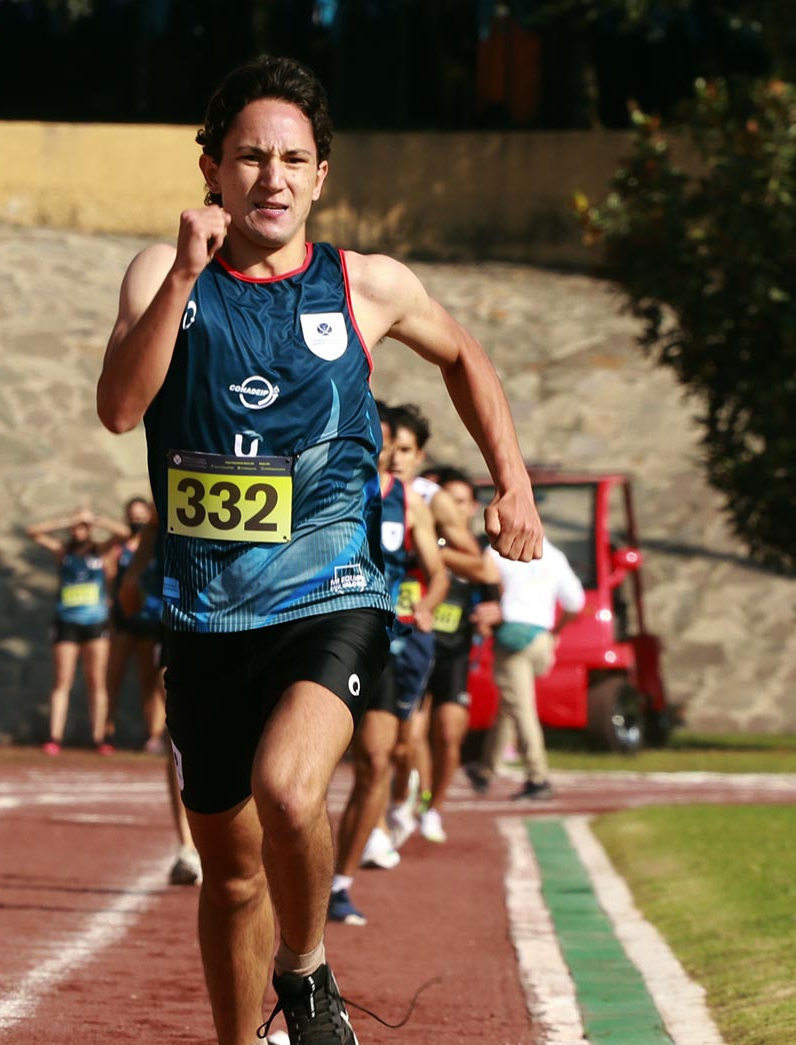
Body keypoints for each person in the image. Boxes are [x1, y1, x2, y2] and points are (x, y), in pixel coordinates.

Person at [95, 55, 542, 1045]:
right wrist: (183, 275)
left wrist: (510, 481)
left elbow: (465, 355)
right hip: (204, 613)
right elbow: (121, 408)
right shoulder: (163, 275)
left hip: (330, 596)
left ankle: (304, 970)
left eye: (293, 160)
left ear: (321, 175)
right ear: (212, 168)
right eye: (251, 157)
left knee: (289, 789)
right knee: (230, 874)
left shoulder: (365, 285)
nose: (273, 178)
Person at [324, 403, 447, 928]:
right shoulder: (328, 484)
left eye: (398, 446)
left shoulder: (409, 502)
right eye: (383, 442)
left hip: (381, 644)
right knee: (305, 770)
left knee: (376, 761)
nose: (390, 454)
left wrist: (426, 605)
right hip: (325, 639)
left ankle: (340, 885)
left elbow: (438, 571)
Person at [111, 500, 203, 887]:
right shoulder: (173, 469)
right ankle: (187, 847)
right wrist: (133, 576)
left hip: (251, 609)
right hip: (182, 613)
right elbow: (155, 521)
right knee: (178, 729)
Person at [408, 466, 496, 845]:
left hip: (454, 651)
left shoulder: (477, 548)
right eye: (450, 501)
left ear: (473, 507)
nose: (456, 509)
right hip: (415, 644)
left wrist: (493, 612)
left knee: (448, 733)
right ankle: (419, 795)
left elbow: (490, 582)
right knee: (410, 737)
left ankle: (434, 809)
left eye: (462, 502)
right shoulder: (417, 534)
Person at [487, 529, 585, 802]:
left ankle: (538, 777)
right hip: (542, 637)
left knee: (521, 707)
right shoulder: (554, 556)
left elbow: (482, 583)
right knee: (512, 701)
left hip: (513, 636)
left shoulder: (496, 552)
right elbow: (575, 602)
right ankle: (488, 765)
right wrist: (556, 632)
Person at [27, 507, 121, 755]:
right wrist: (66, 520)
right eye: (76, 526)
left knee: (96, 681)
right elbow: (33, 532)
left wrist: (96, 518)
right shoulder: (63, 552)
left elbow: (124, 533)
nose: (79, 529)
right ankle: (54, 736)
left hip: (96, 623)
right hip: (66, 622)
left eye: (83, 526)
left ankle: (99, 737)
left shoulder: (100, 550)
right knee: (62, 680)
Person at [108, 496, 169, 753]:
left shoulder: (159, 535)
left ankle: (154, 735)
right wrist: (129, 582)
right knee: (114, 677)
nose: (138, 521)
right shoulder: (134, 543)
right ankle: (106, 732)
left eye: (142, 516)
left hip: (154, 620)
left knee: (154, 681)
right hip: (127, 620)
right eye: (133, 517)